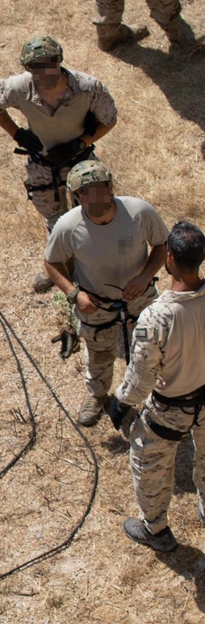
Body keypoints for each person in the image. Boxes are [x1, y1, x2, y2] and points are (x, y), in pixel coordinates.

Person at [0, 35, 117, 291]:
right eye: (36, 66)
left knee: (94, 216)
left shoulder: (88, 88)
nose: (44, 71)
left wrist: (82, 143)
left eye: (49, 63)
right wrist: (17, 134)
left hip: (81, 163)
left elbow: (109, 119)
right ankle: (60, 268)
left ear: (60, 60)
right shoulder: (19, 88)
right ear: (27, 69)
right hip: (43, 165)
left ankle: (94, 268)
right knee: (54, 219)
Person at [43, 162, 168, 425]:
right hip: (95, 304)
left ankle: (163, 394)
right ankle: (98, 395)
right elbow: (51, 263)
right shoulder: (68, 226)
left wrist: (144, 277)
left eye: (100, 189)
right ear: (76, 197)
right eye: (86, 193)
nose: (94, 197)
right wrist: (74, 294)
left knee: (159, 347)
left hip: (141, 297)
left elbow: (161, 245)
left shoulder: (139, 212)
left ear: (111, 187)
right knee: (99, 352)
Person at [106, 222, 205, 553]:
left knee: (148, 463)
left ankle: (156, 529)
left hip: (170, 408)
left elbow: (142, 377)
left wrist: (122, 401)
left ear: (170, 260)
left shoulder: (156, 318)